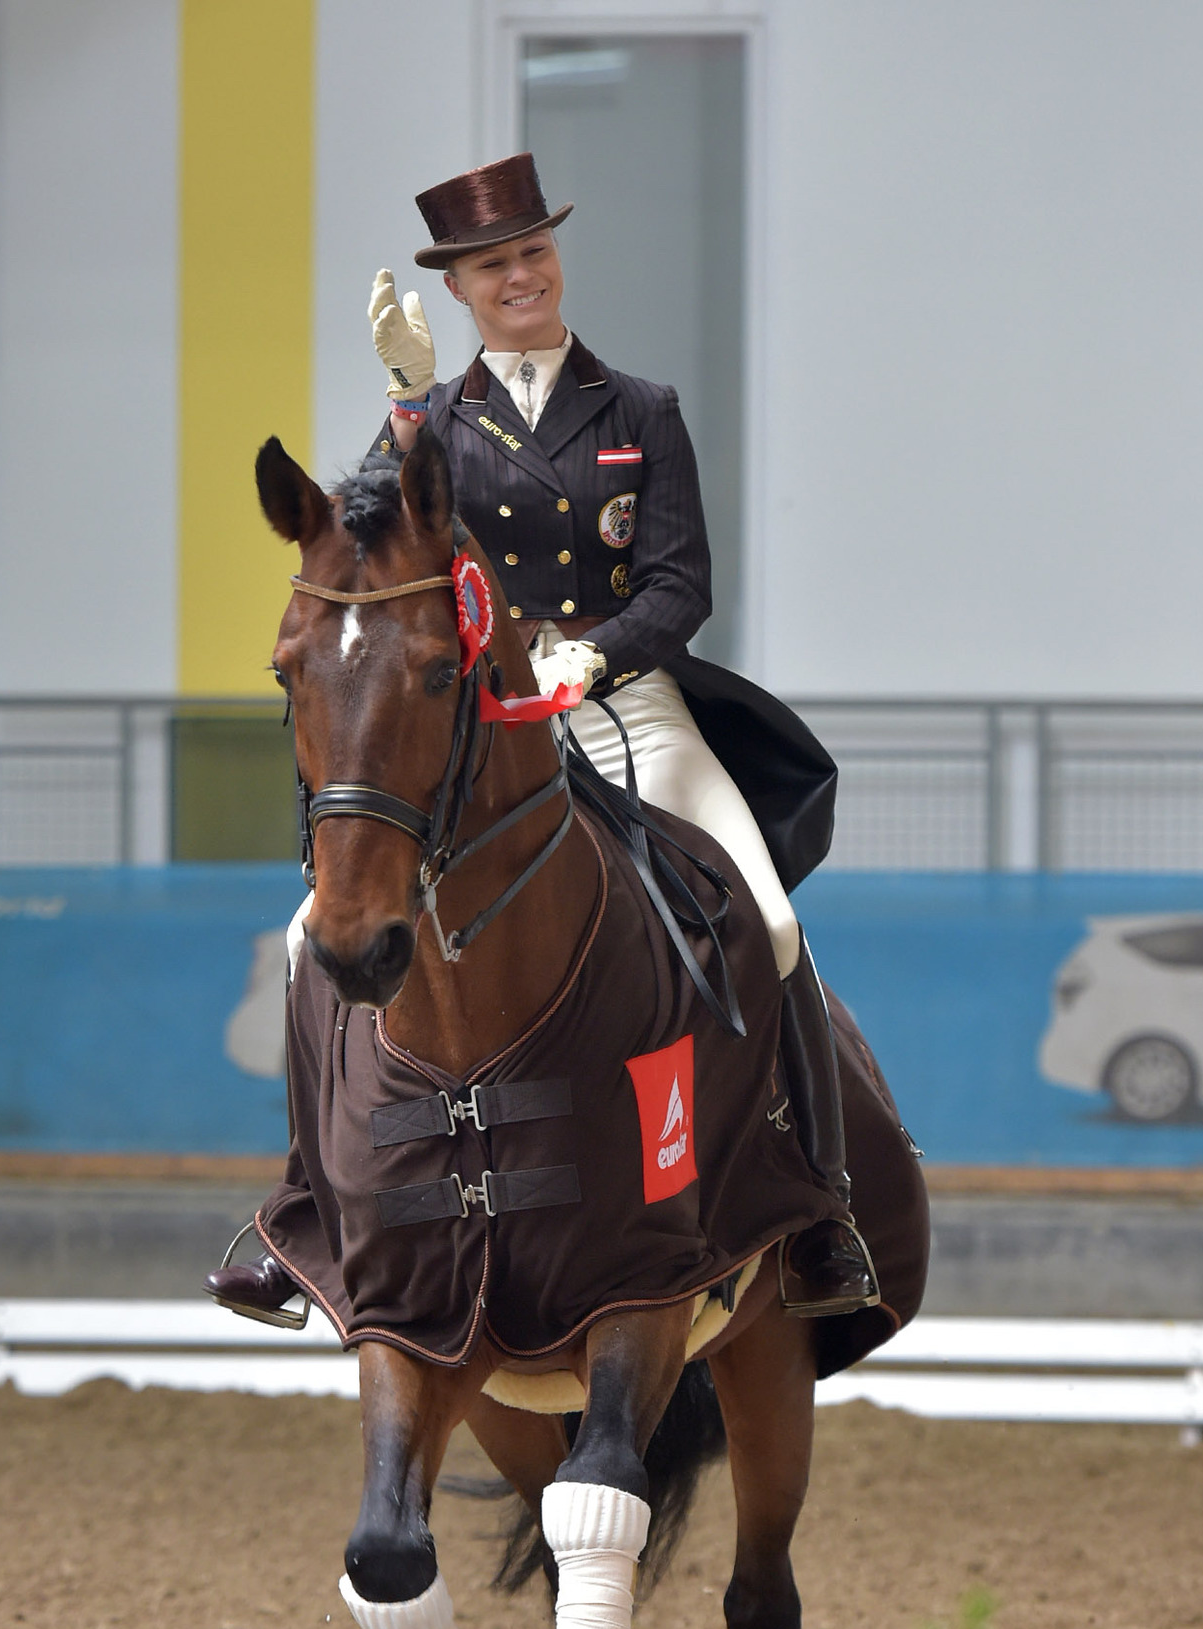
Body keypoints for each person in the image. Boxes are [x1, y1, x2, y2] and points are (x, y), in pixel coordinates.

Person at [207, 153, 876, 1324]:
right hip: (487, 734)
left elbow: (680, 584)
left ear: (552, 260)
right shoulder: (439, 422)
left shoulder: (640, 411)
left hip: (629, 706)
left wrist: (594, 653)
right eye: (489, 265)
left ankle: (817, 1206)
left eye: (530, 252)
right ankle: (303, 1204)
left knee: (765, 914)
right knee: (312, 936)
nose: (519, 276)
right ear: (458, 290)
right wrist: (409, 402)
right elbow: (375, 540)